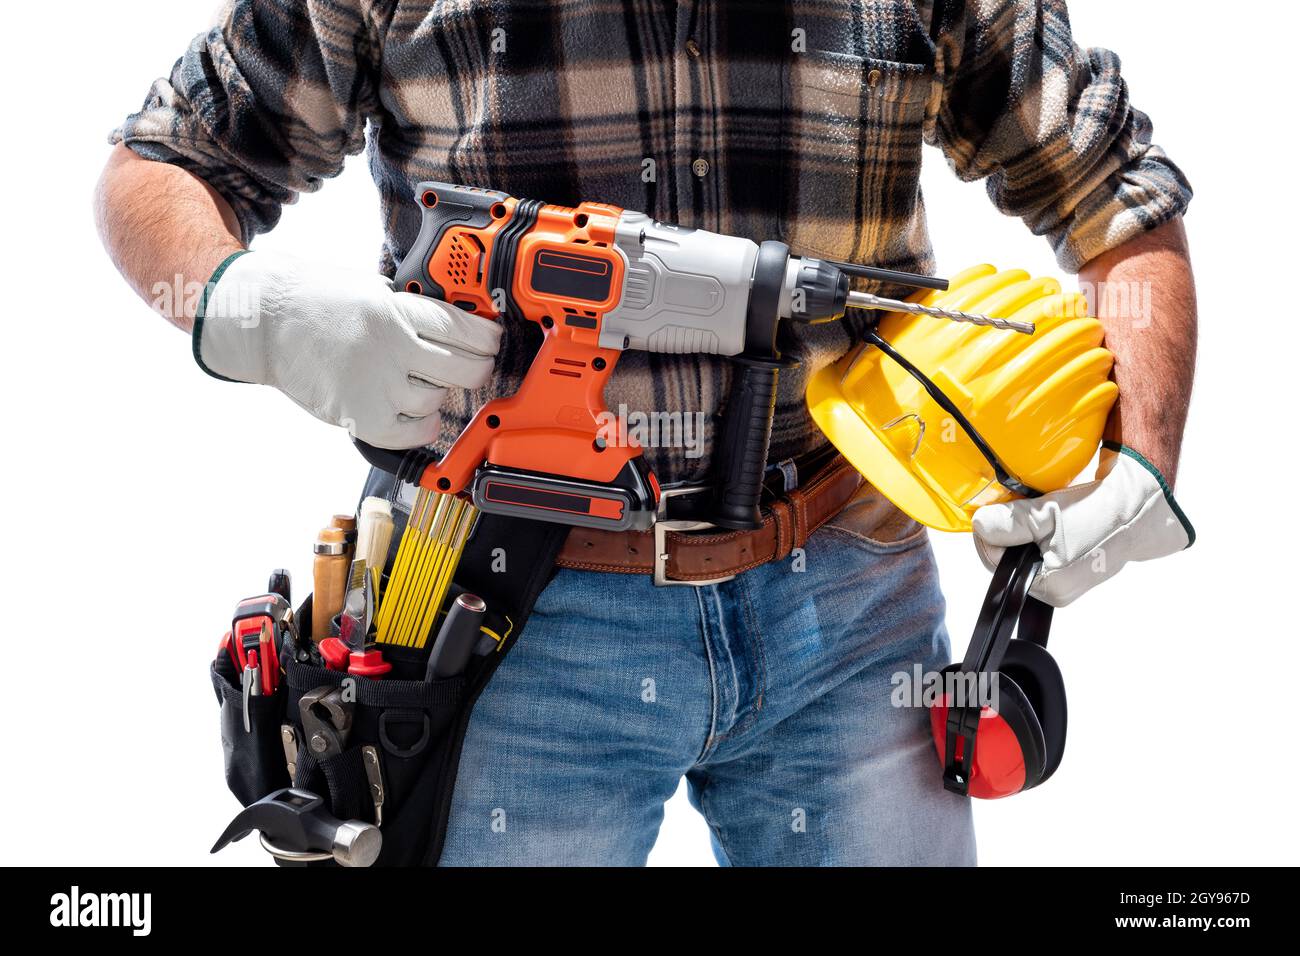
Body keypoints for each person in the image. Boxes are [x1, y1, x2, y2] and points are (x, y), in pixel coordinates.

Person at [95, 0, 1195, 865]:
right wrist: (255, 313)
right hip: (493, 614)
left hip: (855, 604)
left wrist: (1141, 465)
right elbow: (159, 165)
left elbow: (1119, 199)